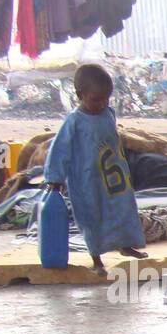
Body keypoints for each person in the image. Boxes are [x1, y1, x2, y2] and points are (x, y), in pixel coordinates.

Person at [43, 64, 147, 272]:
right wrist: (55, 180)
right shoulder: (74, 121)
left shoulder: (108, 114)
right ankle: (96, 259)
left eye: (106, 99)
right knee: (91, 217)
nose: (101, 104)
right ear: (80, 95)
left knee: (123, 209)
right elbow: (59, 149)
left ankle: (125, 245)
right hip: (86, 181)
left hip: (113, 178)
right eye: (96, 100)